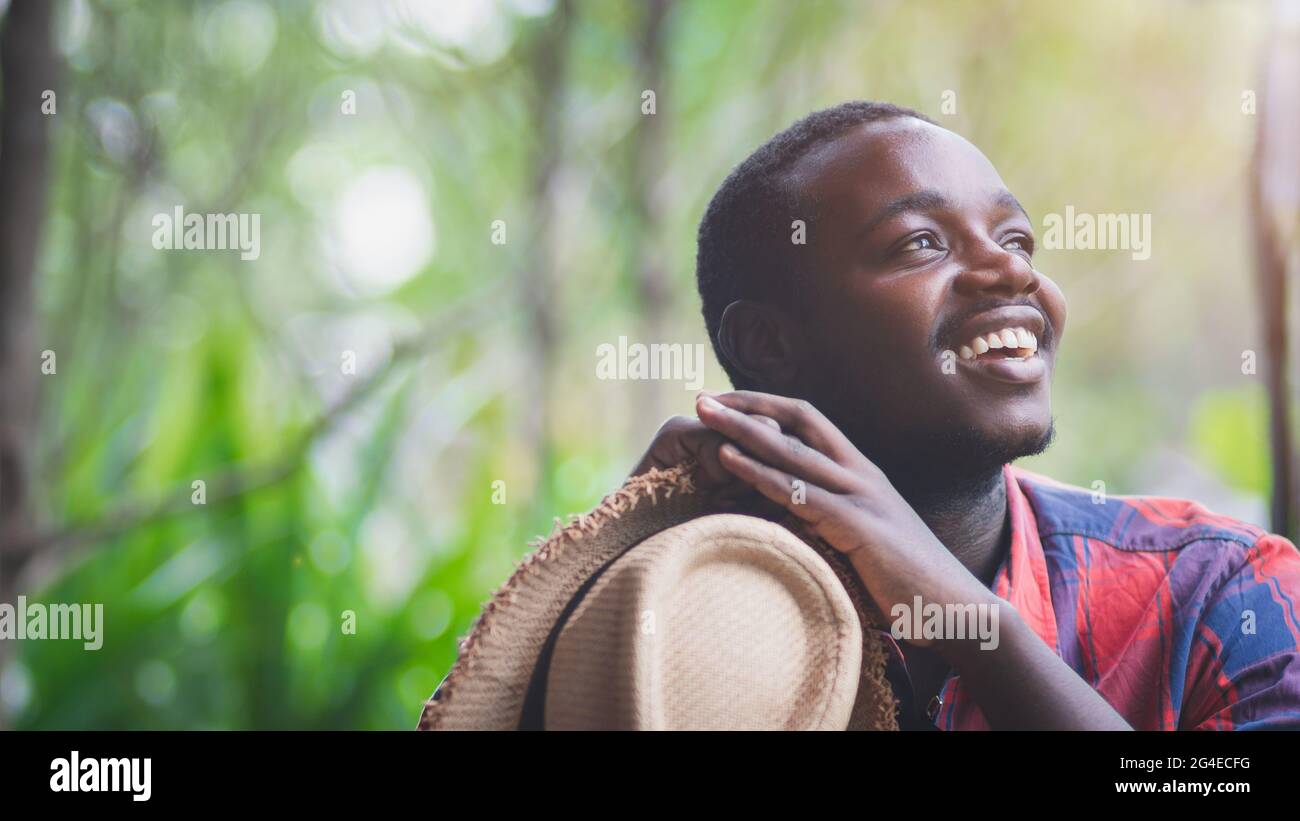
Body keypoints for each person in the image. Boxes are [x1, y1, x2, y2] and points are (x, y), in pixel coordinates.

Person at [630, 101, 1300, 730]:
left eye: (1016, 239)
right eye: (920, 243)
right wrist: (609, 581)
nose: (1011, 272)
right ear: (769, 344)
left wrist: (971, 623)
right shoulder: (676, 613)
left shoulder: (1218, 585)